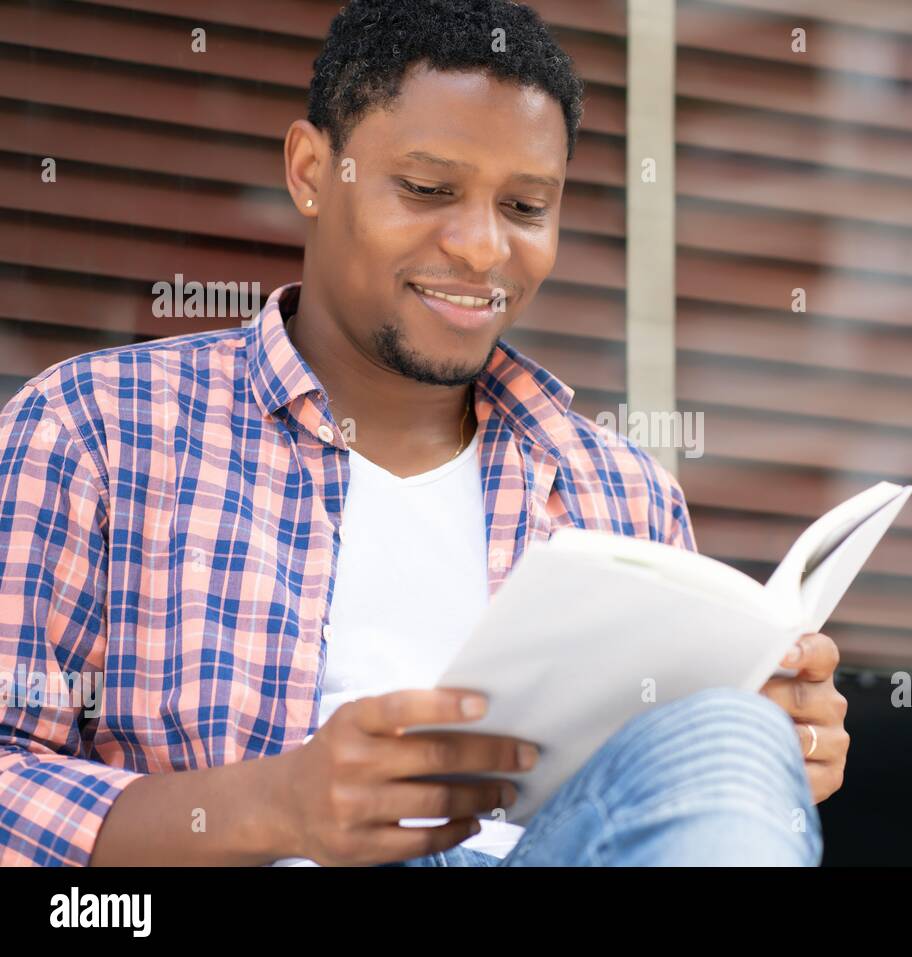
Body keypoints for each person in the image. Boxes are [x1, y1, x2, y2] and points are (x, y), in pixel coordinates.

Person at [0, 0, 847, 867]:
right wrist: (274, 807)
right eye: (428, 189)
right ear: (311, 171)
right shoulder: (98, 431)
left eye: (524, 205)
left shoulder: (622, 490)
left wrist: (759, 756)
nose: (482, 249)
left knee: (729, 732)